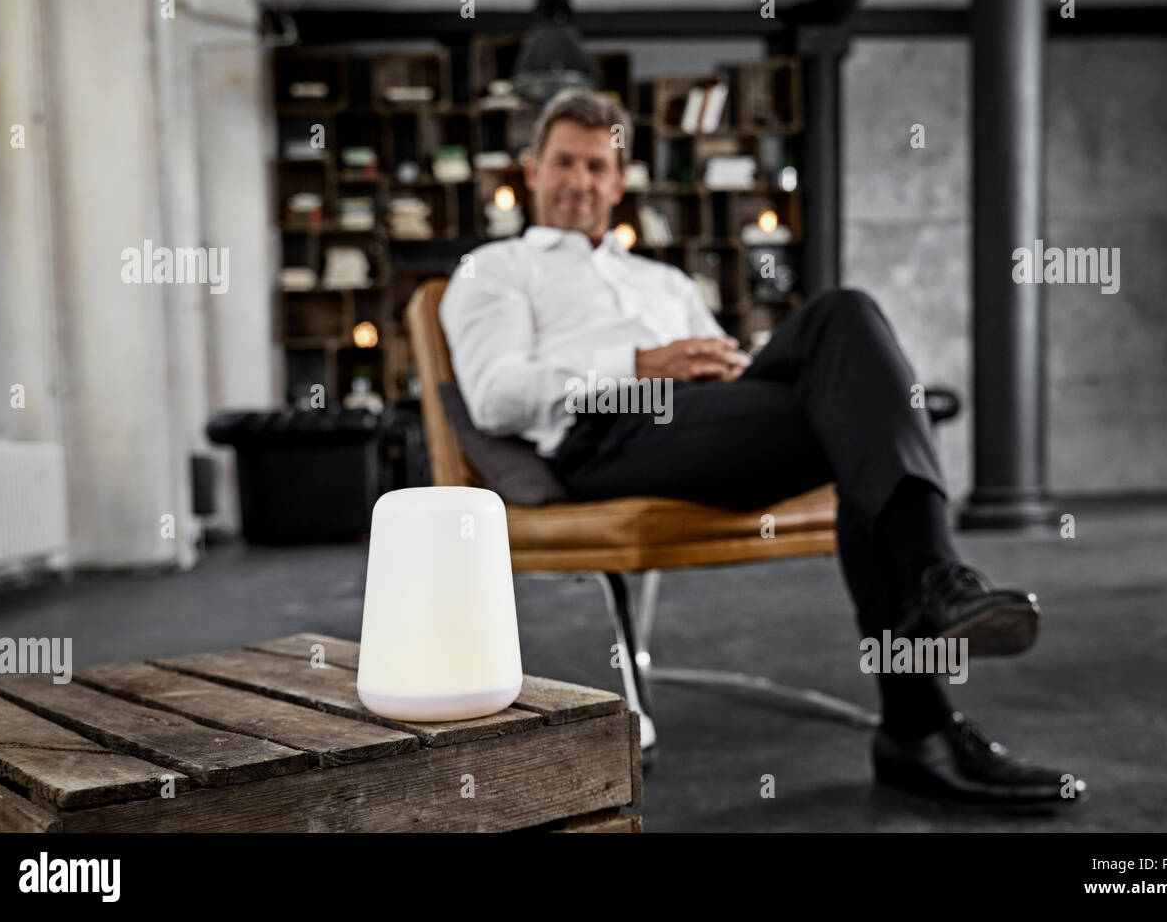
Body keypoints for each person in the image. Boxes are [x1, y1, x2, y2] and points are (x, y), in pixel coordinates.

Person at [440, 88, 1084, 807]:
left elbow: (727, 382)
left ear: (619, 182)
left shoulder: (666, 281)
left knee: (843, 317)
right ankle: (921, 709)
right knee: (872, 421)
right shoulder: (494, 271)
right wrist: (641, 366)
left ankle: (929, 635)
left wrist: (732, 369)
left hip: (704, 421)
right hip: (606, 436)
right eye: (564, 162)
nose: (579, 182)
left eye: (597, 166)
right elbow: (495, 394)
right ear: (531, 170)